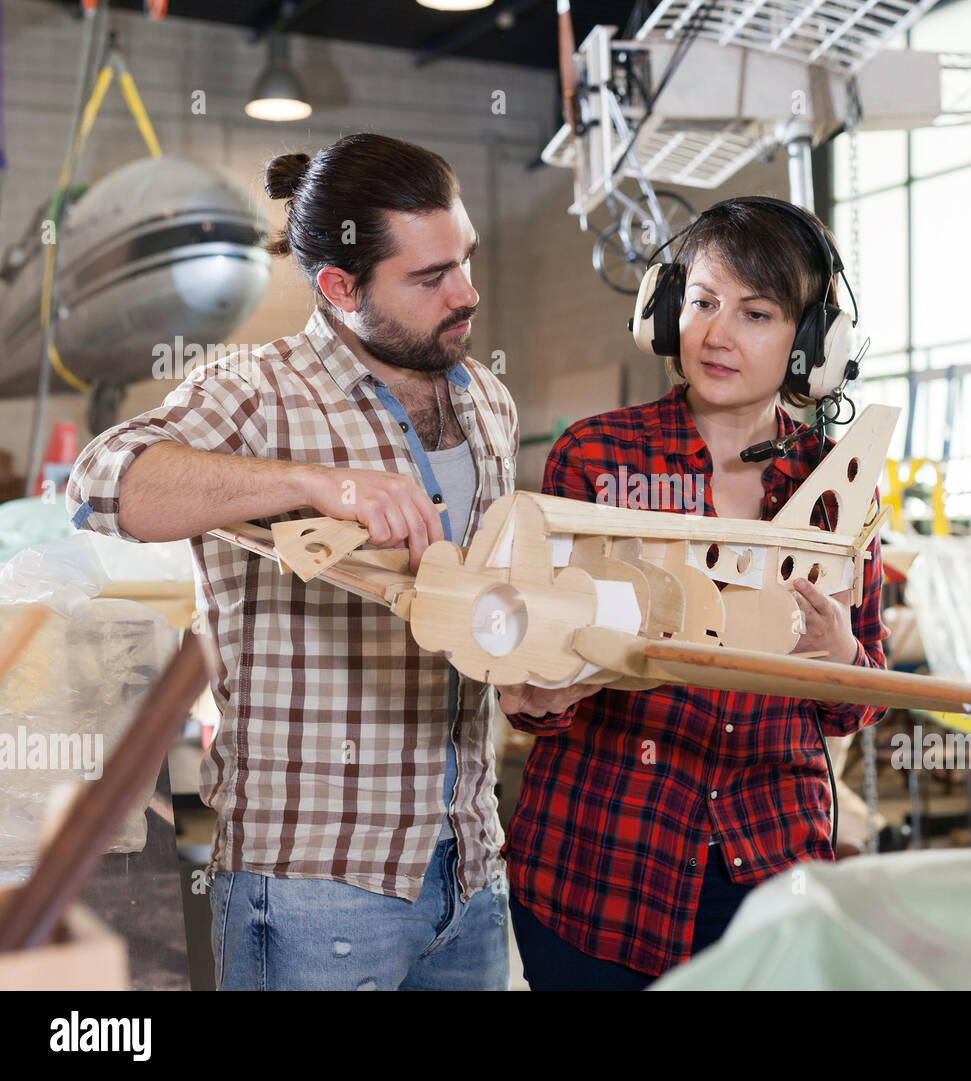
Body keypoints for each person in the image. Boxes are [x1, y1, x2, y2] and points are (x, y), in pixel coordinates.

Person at [67, 133, 578, 990]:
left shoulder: (485, 400)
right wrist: (314, 483)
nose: (467, 294)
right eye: (429, 279)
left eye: (465, 260)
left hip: (471, 869)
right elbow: (101, 484)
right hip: (313, 884)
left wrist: (531, 673)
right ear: (339, 288)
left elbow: (477, 608)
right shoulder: (255, 390)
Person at [498, 196, 890, 989]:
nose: (718, 333)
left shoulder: (834, 489)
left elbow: (861, 695)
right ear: (668, 308)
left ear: (809, 344)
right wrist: (539, 686)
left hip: (766, 868)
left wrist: (840, 654)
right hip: (602, 867)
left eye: (756, 312)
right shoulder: (597, 459)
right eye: (704, 302)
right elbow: (535, 678)